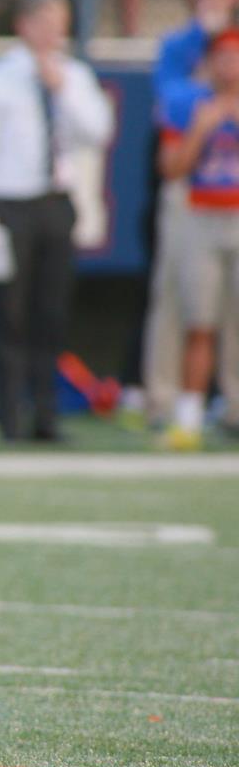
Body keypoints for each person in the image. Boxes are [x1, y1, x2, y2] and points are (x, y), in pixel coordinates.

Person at [0, 0, 115, 444]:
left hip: (56, 202)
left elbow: (98, 131)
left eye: (59, 21)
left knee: (52, 311)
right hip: (12, 204)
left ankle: (46, 415)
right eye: (43, 21)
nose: (52, 31)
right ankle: (8, 419)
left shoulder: (75, 77)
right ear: (23, 25)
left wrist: (61, 88)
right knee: (10, 313)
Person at [140, 0, 239, 430]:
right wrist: (208, 60)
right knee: (177, 296)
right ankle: (164, 398)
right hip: (191, 193)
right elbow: (169, 99)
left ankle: (232, 403)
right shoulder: (178, 45)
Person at [157, 27, 239, 451]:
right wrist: (203, 129)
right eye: (223, 57)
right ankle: (188, 415)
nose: (230, 66)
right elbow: (171, 168)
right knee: (199, 320)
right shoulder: (188, 101)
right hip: (203, 215)